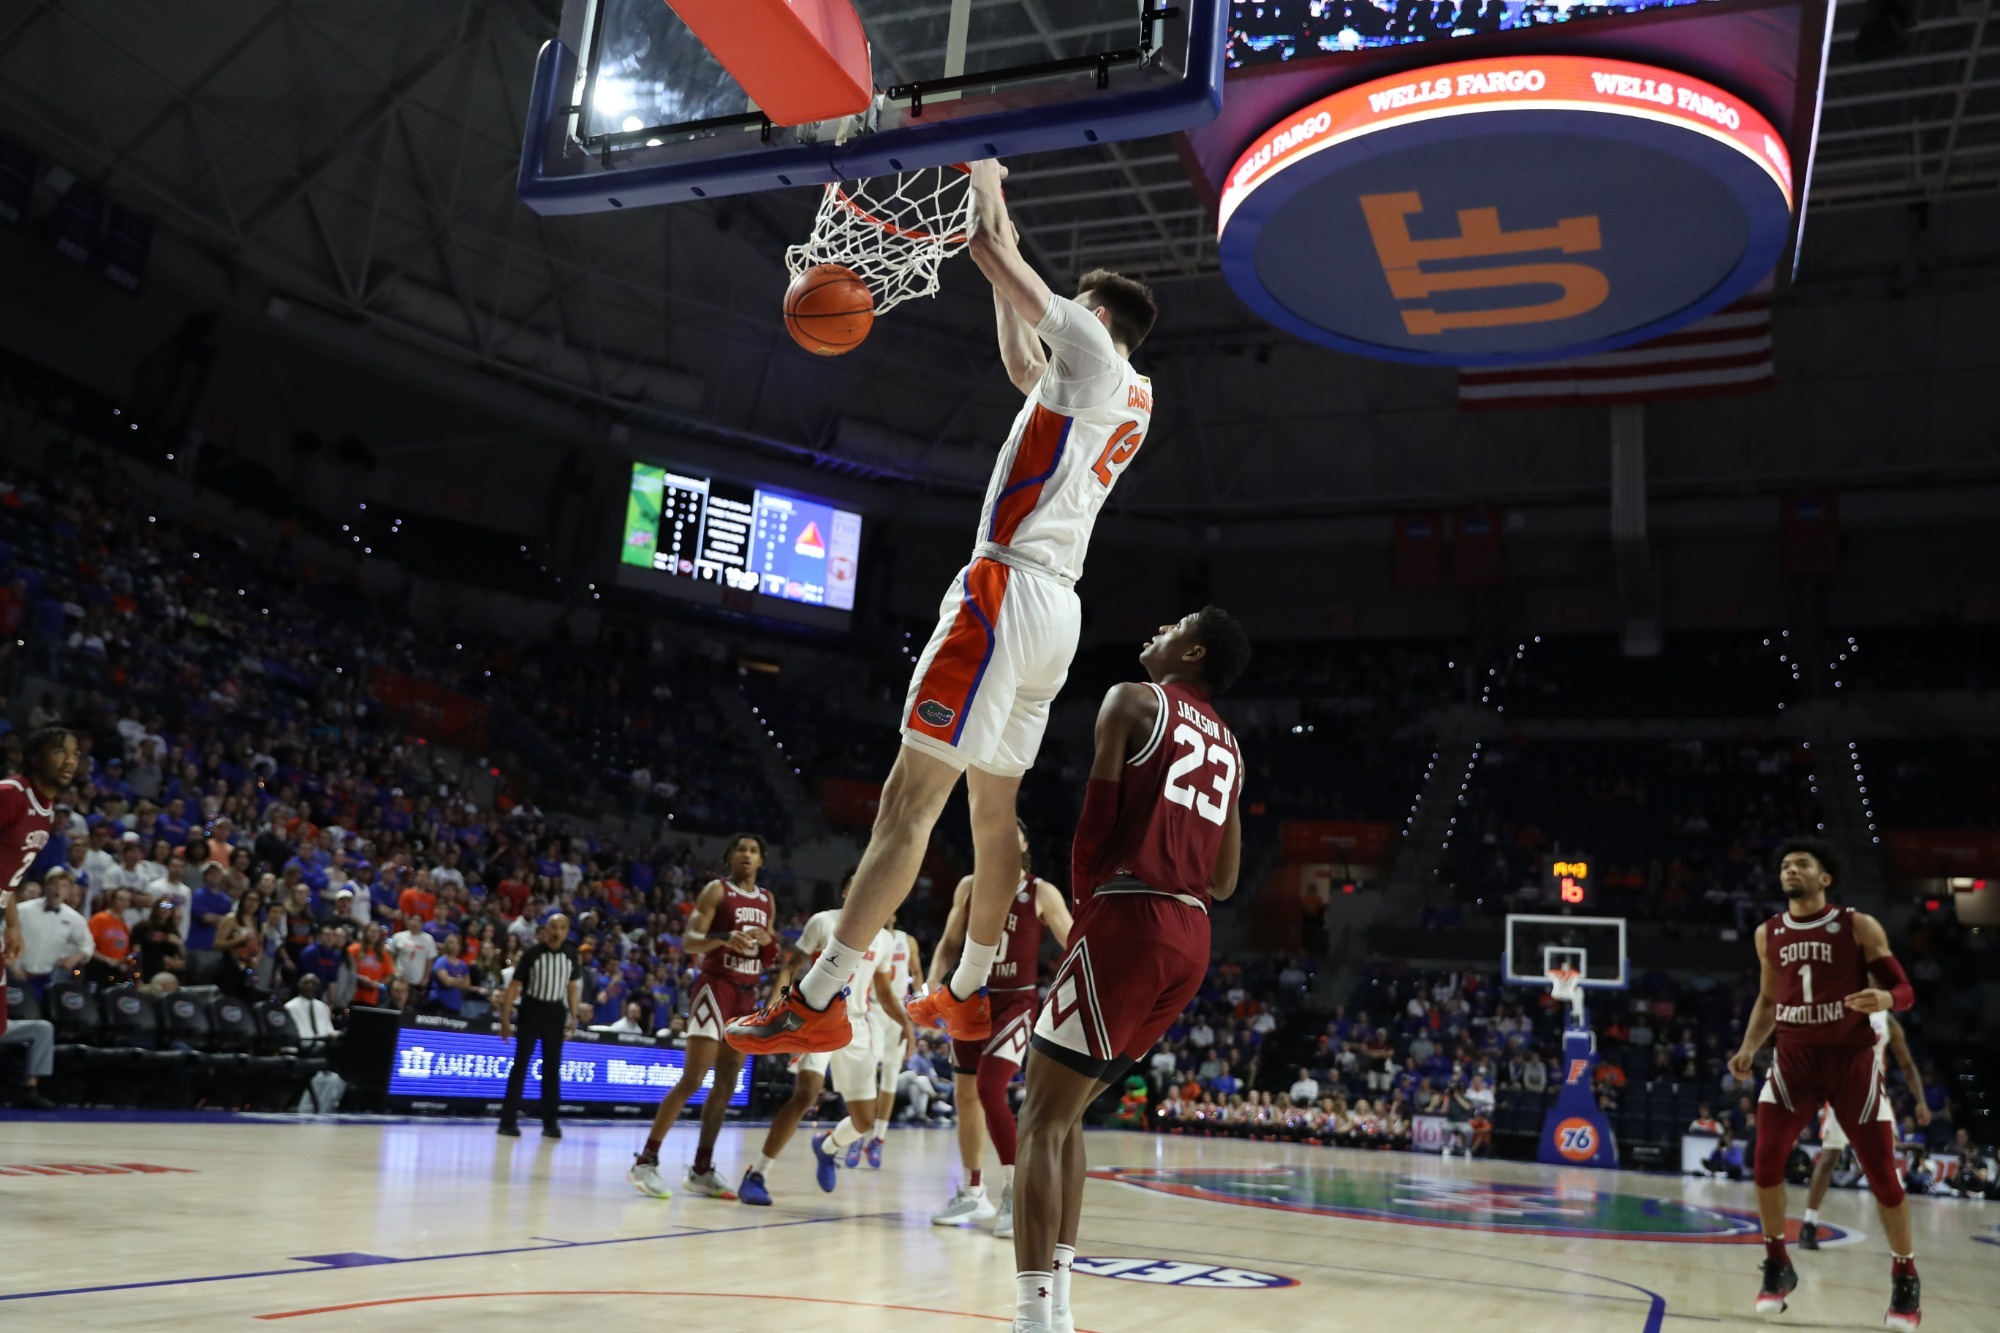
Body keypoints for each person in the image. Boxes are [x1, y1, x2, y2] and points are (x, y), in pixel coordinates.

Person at [726, 159, 1160, 1058]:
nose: (1063, 317)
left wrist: (990, 182)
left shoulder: (1088, 342)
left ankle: (820, 993)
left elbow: (997, 253)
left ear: (1098, 316)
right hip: (1056, 617)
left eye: (1075, 308)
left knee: (908, 803)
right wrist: (992, 215)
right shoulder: (1129, 395)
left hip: (1003, 592)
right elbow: (1017, 356)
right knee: (994, 816)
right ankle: (968, 990)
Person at [1011, 607, 1250, 1333]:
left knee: (1039, 1121)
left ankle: (1029, 1316)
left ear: (1194, 649)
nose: (1155, 630)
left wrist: (1087, 918)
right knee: (1070, 1113)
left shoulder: (1132, 699)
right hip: (1193, 938)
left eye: (1173, 626)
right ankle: (1062, 1306)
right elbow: (1229, 878)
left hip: (1130, 918)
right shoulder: (1233, 748)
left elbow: (1092, 827)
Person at [1728, 838, 1920, 1330]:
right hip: (1793, 1060)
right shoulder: (1767, 933)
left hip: (1852, 1063)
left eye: (1802, 864)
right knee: (1765, 1162)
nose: (1791, 870)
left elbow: (1905, 989)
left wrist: (1885, 998)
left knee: (1883, 1177)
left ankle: (1905, 1273)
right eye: (1786, 865)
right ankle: (1777, 1263)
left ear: (1824, 877)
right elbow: (1769, 1001)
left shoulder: (1857, 925)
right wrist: (1750, 1046)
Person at [729, 872, 913, 1207]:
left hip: (857, 1026)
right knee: (806, 1094)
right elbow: (791, 965)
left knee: (863, 1121)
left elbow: (884, 991)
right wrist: (774, 1009)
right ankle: (758, 1173)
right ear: (847, 890)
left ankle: (827, 1147)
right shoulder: (823, 922)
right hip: (816, 1017)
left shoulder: (885, 940)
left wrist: (906, 1024)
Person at [928, 821, 1071, 1238]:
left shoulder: (1040, 891)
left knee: (991, 1089)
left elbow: (1073, 940)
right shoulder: (969, 886)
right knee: (965, 1095)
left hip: (1015, 1002)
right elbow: (949, 943)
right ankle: (974, 1192)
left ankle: (1014, 1192)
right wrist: (934, 983)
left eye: (1016, 832)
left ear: (1025, 844)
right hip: (969, 997)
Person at [628, 835, 777, 1199]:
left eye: (754, 850)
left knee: (726, 1085)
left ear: (761, 861)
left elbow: (769, 956)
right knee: (693, 1078)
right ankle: (645, 1161)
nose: (746, 854)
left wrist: (765, 940)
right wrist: (725, 936)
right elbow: (690, 942)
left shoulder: (767, 900)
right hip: (716, 988)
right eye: (741, 849)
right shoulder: (716, 890)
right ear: (730, 856)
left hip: (747, 994)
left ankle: (701, 1169)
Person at [1801, 1011, 1926, 1250]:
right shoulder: (1839, 1010)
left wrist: (1920, 1100)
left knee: (1885, 1169)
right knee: (1829, 1157)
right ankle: (1809, 1222)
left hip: (1875, 1097)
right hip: (1841, 1095)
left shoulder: (1888, 1021)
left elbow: (1908, 1065)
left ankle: (1898, 1239)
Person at [2, 729, 81, 1026]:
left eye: (75, 754)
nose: (69, 760)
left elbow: (9, 877)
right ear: (34, 757)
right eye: (59, 751)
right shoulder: (11, 794)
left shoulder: (46, 811)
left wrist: (12, 925)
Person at [495, 913, 581, 1138]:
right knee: (521, 1065)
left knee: (552, 1070)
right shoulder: (532, 954)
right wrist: (505, 1019)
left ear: (567, 930)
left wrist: (574, 1017)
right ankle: (507, 1121)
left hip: (555, 1013)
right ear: (546, 929)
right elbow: (513, 986)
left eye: (562, 927)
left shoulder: (571, 954)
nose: (557, 931)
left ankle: (550, 1124)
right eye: (554, 926)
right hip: (531, 1010)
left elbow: (572, 987)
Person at [862, 910, 923, 1168]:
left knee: (889, 1078)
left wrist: (918, 1003)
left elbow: (917, 973)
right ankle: (858, 1132)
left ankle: (878, 1139)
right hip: (874, 1008)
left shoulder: (907, 940)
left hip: (898, 1011)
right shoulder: (868, 938)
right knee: (866, 1072)